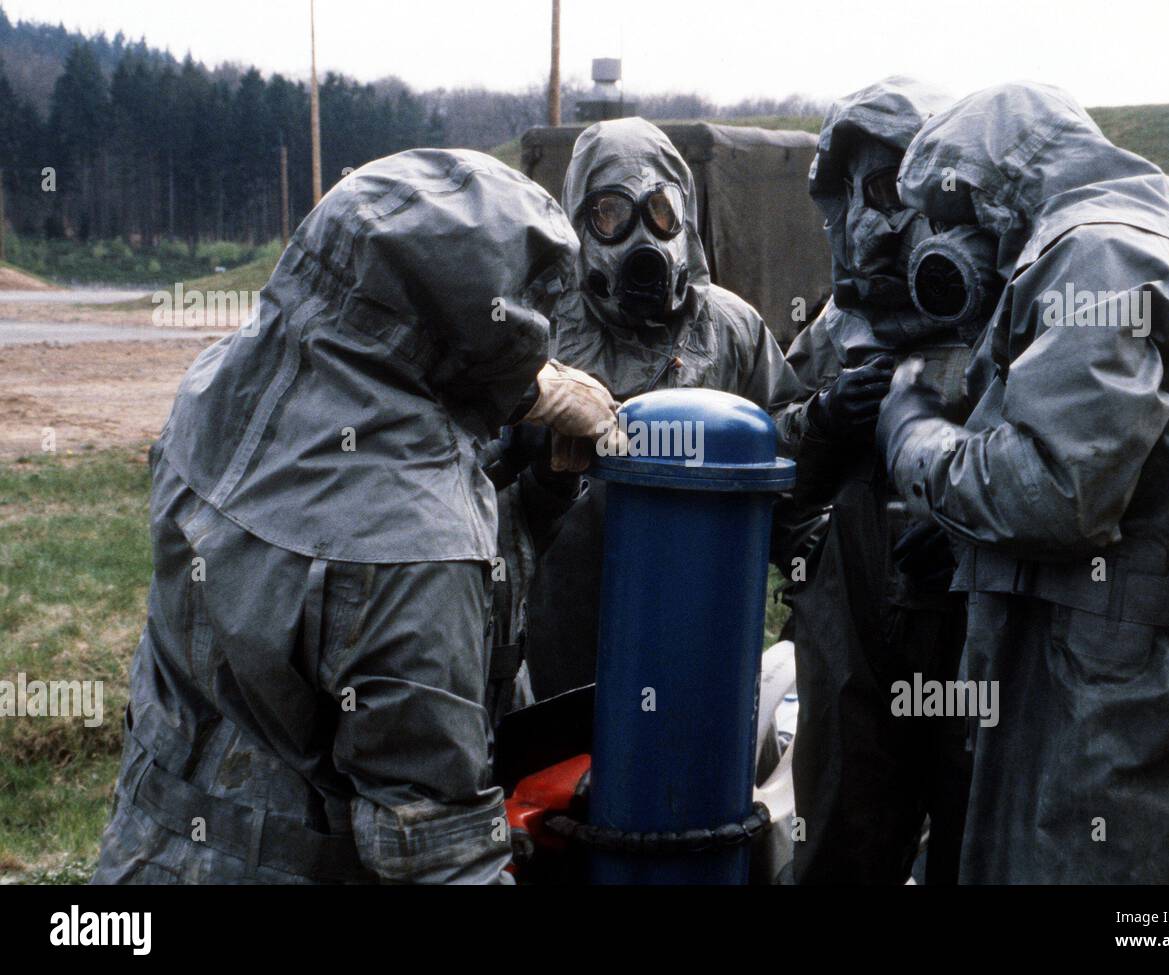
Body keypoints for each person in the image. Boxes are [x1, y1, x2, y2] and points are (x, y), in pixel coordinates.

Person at [93, 149, 619, 884]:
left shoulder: (216, 388)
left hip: (140, 854)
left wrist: (536, 477)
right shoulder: (418, 552)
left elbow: (354, 403)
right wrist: (503, 387)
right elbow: (442, 859)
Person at [878, 82, 1169, 883]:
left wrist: (914, 437)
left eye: (955, 212)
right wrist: (979, 549)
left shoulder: (1098, 251)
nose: (952, 240)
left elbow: (1054, 492)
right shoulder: (1155, 233)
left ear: (996, 185)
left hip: (1140, 701)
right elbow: (1152, 485)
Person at [773, 77, 975, 884]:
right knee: (842, 832)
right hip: (852, 617)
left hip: (974, 621)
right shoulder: (834, 327)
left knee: (973, 831)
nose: (869, 216)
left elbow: (1063, 466)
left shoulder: (999, 311)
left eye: (890, 187)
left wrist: (971, 534)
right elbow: (777, 475)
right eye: (856, 192)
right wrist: (823, 417)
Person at [525, 117, 799, 699]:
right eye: (611, 215)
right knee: (565, 746)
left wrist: (811, 561)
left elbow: (783, 448)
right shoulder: (541, 328)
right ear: (579, 224)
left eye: (660, 212)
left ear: (685, 219)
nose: (641, 239)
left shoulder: (730, 328)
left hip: (699, 609)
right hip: (567, 618)